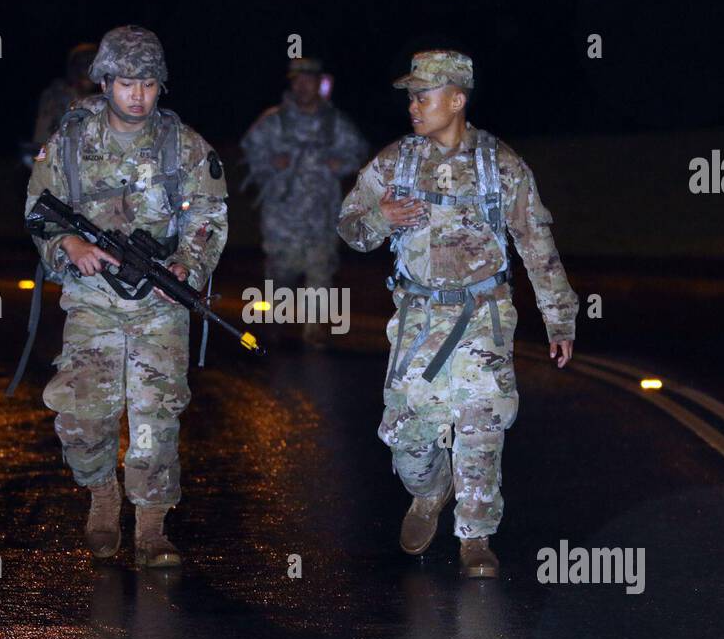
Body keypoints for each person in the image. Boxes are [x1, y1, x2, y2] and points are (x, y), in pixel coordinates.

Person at [337, 50, 578, 578]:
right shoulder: (395, 162)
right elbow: (350, 228)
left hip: (484, 316)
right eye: (411, 97)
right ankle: (429, 492)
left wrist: (560, 319)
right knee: (407, 437)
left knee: (482, 427)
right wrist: (380, 216)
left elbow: (536, 244)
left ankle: (476, 536)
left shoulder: (501, 165)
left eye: (423, 96)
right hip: (418, 318)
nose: (414, 107)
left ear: (457, 99)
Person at [24, 25, 228, 568]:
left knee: (155, 419)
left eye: (149, 83)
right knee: (82, 418)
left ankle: (153, 526)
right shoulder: (71, 139)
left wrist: (189, 262)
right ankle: (101, 493)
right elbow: (37, 208)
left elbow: (210, 216)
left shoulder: (183, 145)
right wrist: (68, 243)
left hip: (159, 300)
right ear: (106, 81)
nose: (138, 94)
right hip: (92, 299)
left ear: (161, 86)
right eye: (127, 83)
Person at [240, 57, 368, 345]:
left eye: (308, 80)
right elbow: (250, 153)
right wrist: (271, 162)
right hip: (282, 216)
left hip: (322, 213)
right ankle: (274, 320)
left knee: (320, 269)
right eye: (297, 81)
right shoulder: (274, 121)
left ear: (319, 83)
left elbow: (359, 153)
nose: (302, 86)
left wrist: (341, 164)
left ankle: (313, 328)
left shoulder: (334, 123)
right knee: (281, 271)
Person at [31, 42, 99, 150]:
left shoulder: (103, 97)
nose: (87, 68)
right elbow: (42, 137)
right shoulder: (57, 96)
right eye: (83, 63)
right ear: (74, 67)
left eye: (91, 62)